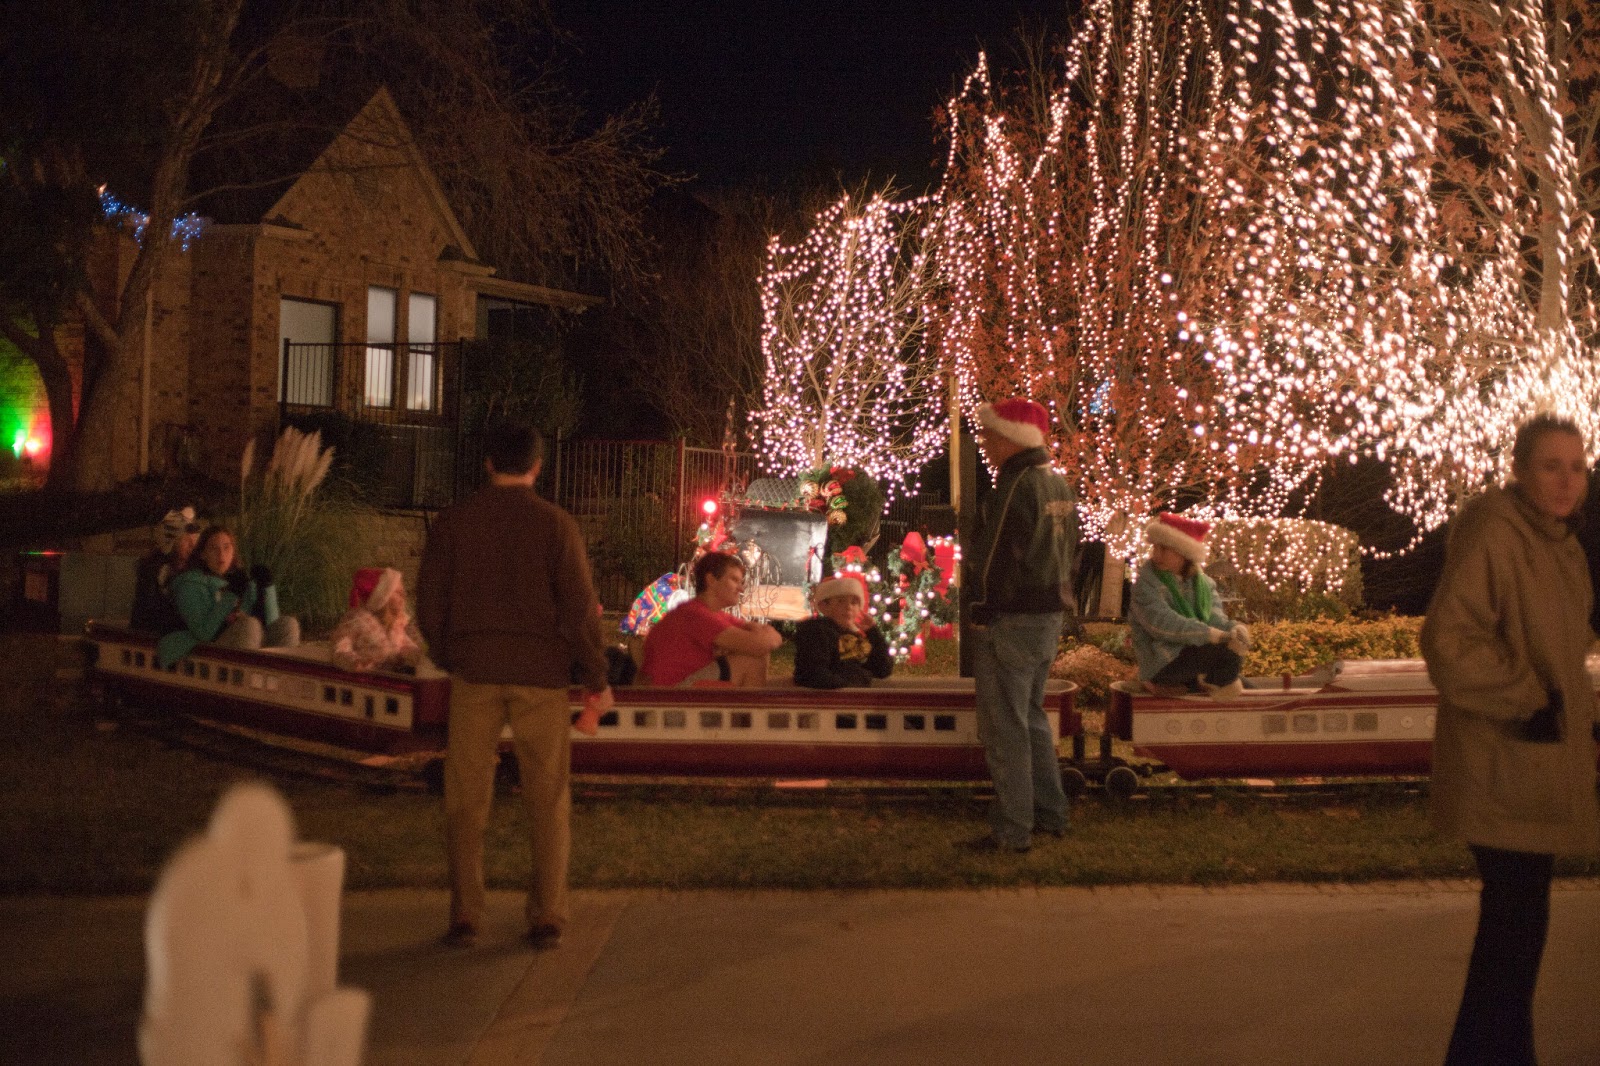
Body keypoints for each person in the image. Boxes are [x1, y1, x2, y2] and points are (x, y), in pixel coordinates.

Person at [1420, 413, 1600, 1066]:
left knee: (1517, 940)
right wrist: (1530, 698)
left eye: (1577, 468)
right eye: (1551, 466)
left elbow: (1564, 647)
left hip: (1534, 767)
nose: (1566, 481)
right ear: (1520, 470)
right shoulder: (1496, 531)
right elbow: (1449, 641)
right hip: (1500, 763)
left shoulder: (1561, 545)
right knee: (1512, 938)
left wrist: (1576, 714)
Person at [417, 424, 613, 951]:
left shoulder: (455, 522)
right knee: (547, 798)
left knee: (465, 798)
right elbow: (579, 608)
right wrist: (595, 676)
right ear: (537, 467)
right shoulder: (556, 525)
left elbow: (430, 601)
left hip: (475, 674)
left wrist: (450, 654)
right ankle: (547, 913)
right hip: (541, 678)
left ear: (488, 463)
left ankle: (466, 912)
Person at [963, 397, 1077, 853]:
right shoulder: (1057, 483)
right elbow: (1070, 552)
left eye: (989, 434)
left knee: (1005, 727)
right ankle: (1051, 813)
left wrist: (980, 610)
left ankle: (1012, 830)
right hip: (1047, 616)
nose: (984, 443)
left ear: (1011, 438)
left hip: (1010, 620)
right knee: (1031, 718)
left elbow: (994, 558)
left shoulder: (1015, 485)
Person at [1129, 513, 1252, 699]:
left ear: (1184, 554)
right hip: (1162, 665)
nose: (1156, 555)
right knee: (1226, 652)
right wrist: (1209, 634)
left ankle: (1214, 682)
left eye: (1164, 549)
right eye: (1155, 547)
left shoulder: (1205, 585)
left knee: (1249, 685)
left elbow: (1217, 621)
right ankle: (1216, 683)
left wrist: (1235, 629)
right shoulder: (1146, 583)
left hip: (1195, 663)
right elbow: (1162, 624)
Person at [156, 527, 300, 668]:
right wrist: (230, 596)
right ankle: (247, 678)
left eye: (226, 547)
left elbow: (271, 624)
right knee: (249, 626)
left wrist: (267, 588)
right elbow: (204, 634)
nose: (221, 554)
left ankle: (280, 675)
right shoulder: (189, 584)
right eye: (214, 549)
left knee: (288, 624)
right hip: (198, 653)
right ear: (203, 554)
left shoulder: (238, 580)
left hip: (238, 646)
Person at [639, 552, 782, 686]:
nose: (741, 589)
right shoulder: (695, 615)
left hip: (681, 689)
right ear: (711, 580)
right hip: (669, 696)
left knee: (755, 654)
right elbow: (759, 645)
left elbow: (770, 640)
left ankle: (747, 703)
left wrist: (763, 636)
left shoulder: (713, 614)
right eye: (734, 580)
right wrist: (763, 637)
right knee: (750, 660)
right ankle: (751, 705)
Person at [793, 575, 892, 689]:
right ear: (823, 606)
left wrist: (873, 633)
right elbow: (813, 674)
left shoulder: (854, 637)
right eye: (840, 601)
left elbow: (882, 670)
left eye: (854, 602)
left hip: (852, 696)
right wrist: (848, 684)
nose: (848, 607)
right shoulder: (816, 632)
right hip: (829, 698)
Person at [329, 567, 423, 673]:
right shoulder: (357, 620)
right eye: (398, 592)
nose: (404, 596)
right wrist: (357, 662)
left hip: (391, 678)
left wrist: (413, 654)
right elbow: (340, 650)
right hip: (365, 680)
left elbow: (406, 645)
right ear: (383, 598)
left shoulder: (396, 625)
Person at [130, 507, 201, 632]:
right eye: (185, 539)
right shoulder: (153, 571)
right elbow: (142, 614)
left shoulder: (200, 572)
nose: (192, 545)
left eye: (195, 539)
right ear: (172, 542)